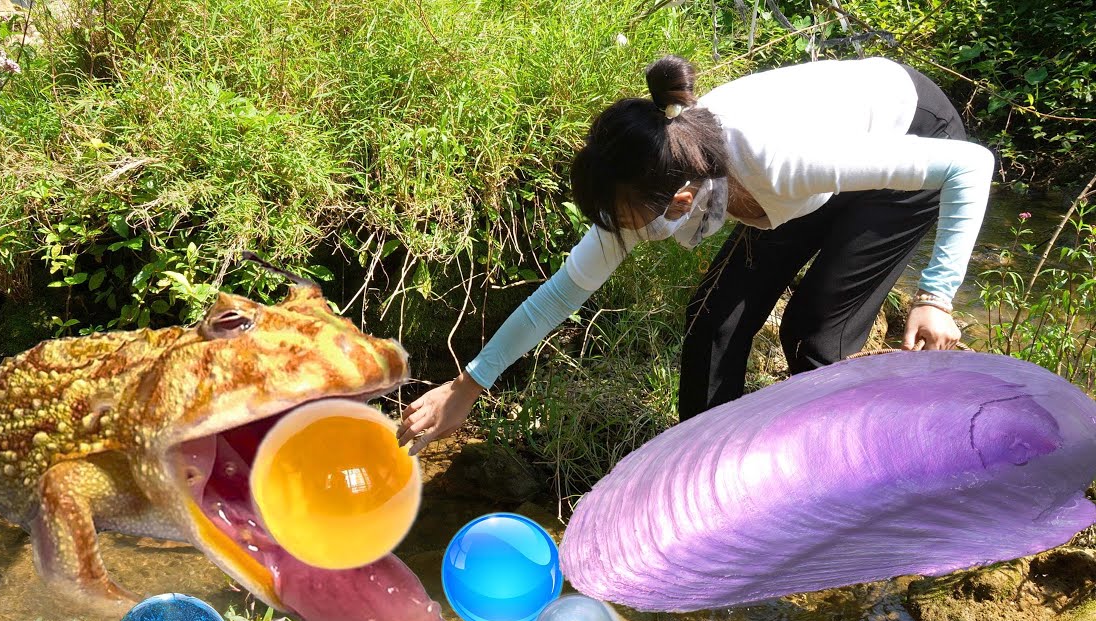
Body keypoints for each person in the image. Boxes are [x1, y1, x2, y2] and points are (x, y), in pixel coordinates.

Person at [396, 54, 994, 456]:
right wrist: (468, 385)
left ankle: (837, 487)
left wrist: (936, 295)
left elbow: (970, 166)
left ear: (682, 199)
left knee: (815, 334)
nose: (621, 236)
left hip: (909, 131)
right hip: (810, 161)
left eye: (629, 224)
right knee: (715, 320)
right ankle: (705, 472)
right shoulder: (655, 177)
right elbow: (558, 296)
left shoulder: (776, 162)